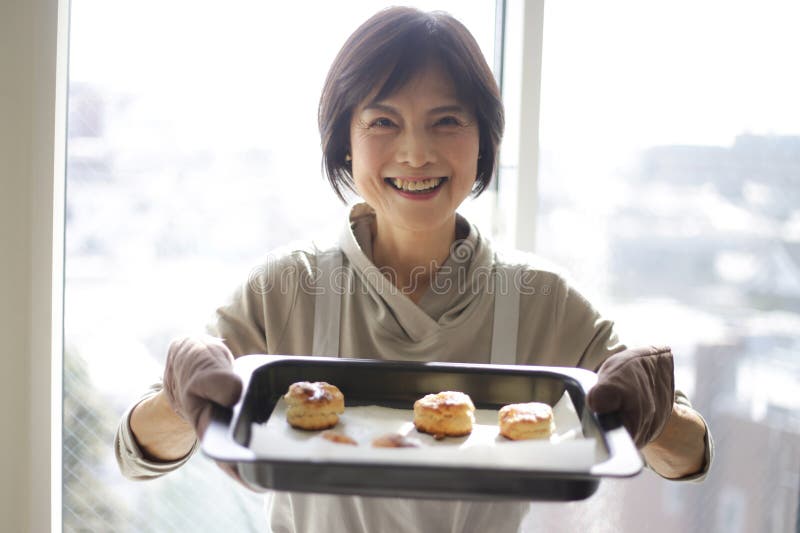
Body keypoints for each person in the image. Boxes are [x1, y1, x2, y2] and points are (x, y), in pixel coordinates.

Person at [116, 7, 713, 532]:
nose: (416, 153)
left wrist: (656, 407)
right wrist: (179, 391)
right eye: (383, 122)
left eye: (447, 121)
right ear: (344, 142)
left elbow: (686, 458)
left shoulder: (542, 300)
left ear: (483, 139)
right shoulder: (285, 289)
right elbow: (135, 453)